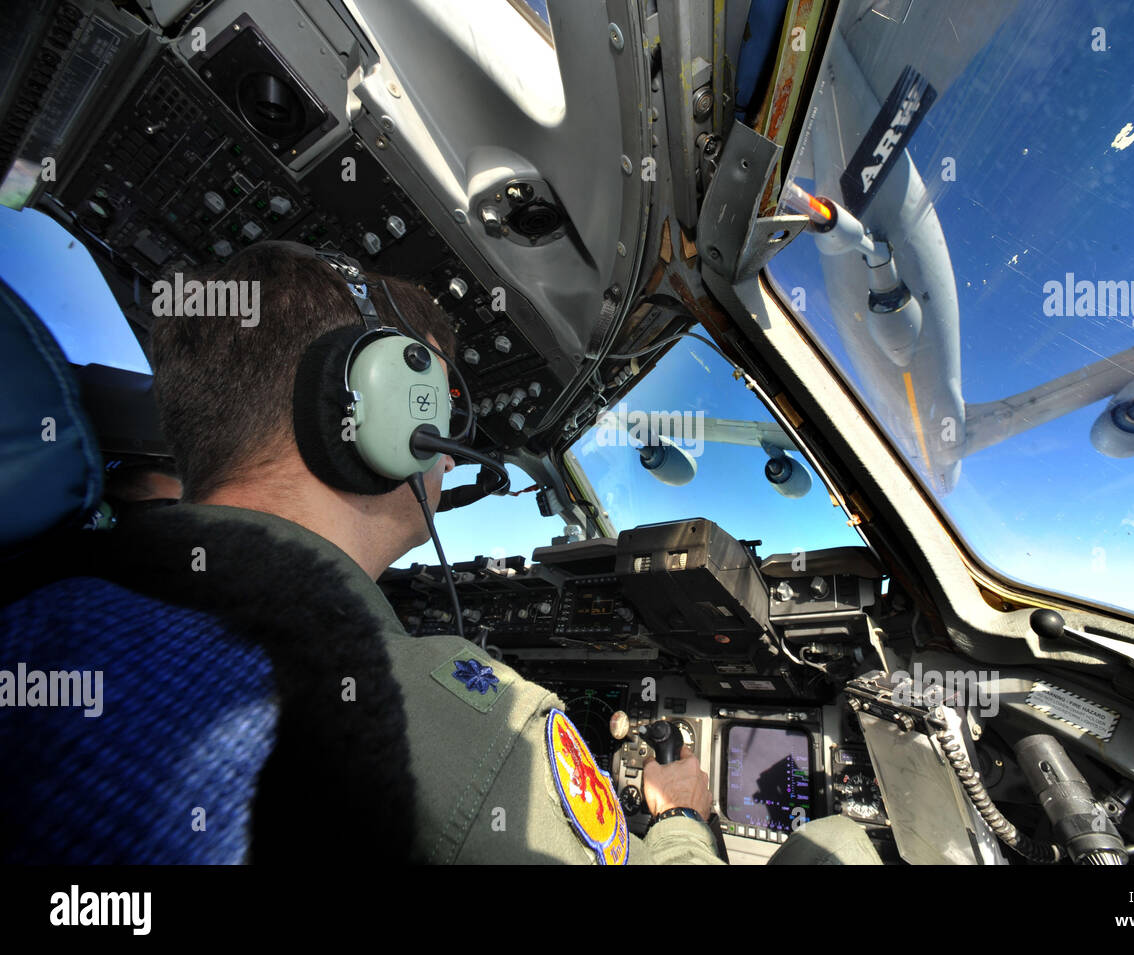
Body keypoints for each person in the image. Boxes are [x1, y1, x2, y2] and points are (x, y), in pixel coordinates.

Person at [0, 241, 720, 864]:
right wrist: (680, 819)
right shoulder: (462, 727)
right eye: (439, 404)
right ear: (381, 412)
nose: (447, 449)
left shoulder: (42, 608)